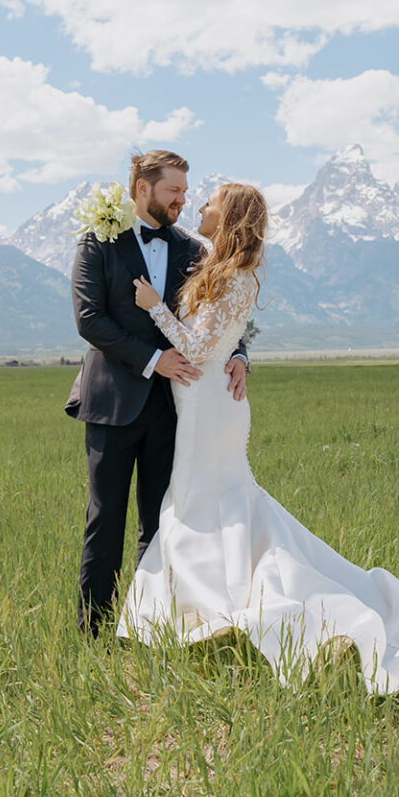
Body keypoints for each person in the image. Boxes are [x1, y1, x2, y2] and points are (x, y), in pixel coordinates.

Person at [119, 182, 399, 695]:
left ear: (230, 214)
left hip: (210, 409)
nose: (200, 207)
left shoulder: (235, 275)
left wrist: (154, 306)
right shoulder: (215, 265)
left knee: (206, 502)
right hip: (199, 403)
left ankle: (217, 609)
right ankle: (199, 606)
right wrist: (234, 352)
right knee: (207, 504)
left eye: (210, 202)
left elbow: (196, 348)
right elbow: (224, 340)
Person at [66, 151, 249, 636]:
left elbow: (220, 316)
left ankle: (148, 627)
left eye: (187, 194)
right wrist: (153, 360)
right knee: (104, 522)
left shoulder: (194, 249)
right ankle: (95, 634)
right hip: (111, 403)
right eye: (174, 192)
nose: (183, 202)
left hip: (175, 407)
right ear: (143, 189)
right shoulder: (98, 241)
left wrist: (240, 356)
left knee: (163, 523)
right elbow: (90, 320)